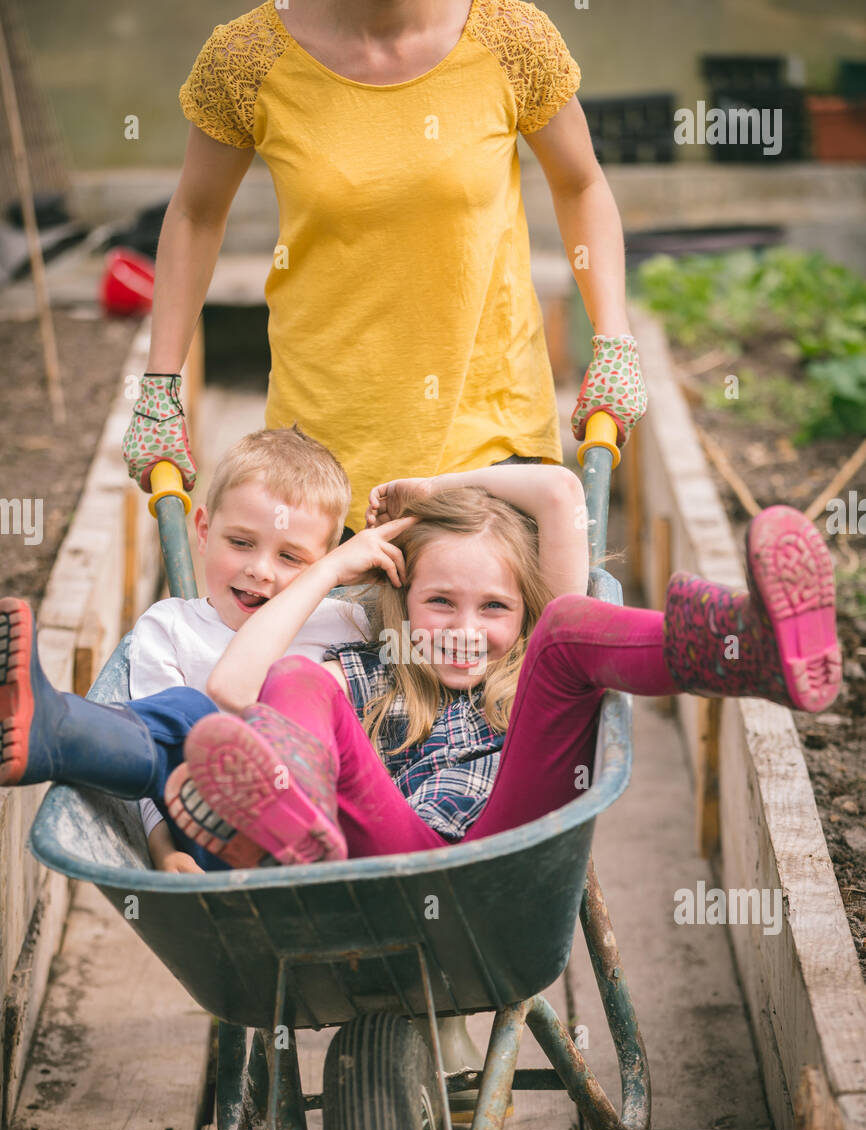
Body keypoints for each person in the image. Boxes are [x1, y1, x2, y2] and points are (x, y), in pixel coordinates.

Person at [121, 0, 647, 534]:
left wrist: (614, 339)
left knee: (475, 616)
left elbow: (580, 184)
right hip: (321, 457)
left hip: (491, 437)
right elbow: (195, 214)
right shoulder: (246, 60)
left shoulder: (509, 39)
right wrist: (161, 385)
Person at [160, 467, 841, 871]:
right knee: (300, 678)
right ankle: (290, 791)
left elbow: (559, 488)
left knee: (570, 625)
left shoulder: (531, 670)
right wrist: (337, 565)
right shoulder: (379, 670)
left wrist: (435, 489)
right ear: (401, 599)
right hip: (386, 859)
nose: (463, 631)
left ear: (519, 610)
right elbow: (231, 688)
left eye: (492, 606)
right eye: (439, 603)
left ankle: (747, 651)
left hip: (504, 857)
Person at [0, 425, 412, 873]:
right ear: (203, 529)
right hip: (215, 836)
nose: (259, 570)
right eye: (240, 543)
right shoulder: (170, 626)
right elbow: (151, 757)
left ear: (330, 564)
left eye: (290, 558)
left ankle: (58, 726)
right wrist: (162, 850)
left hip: (326, 835)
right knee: (186, 712)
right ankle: (53, 728)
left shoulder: (343, 621)